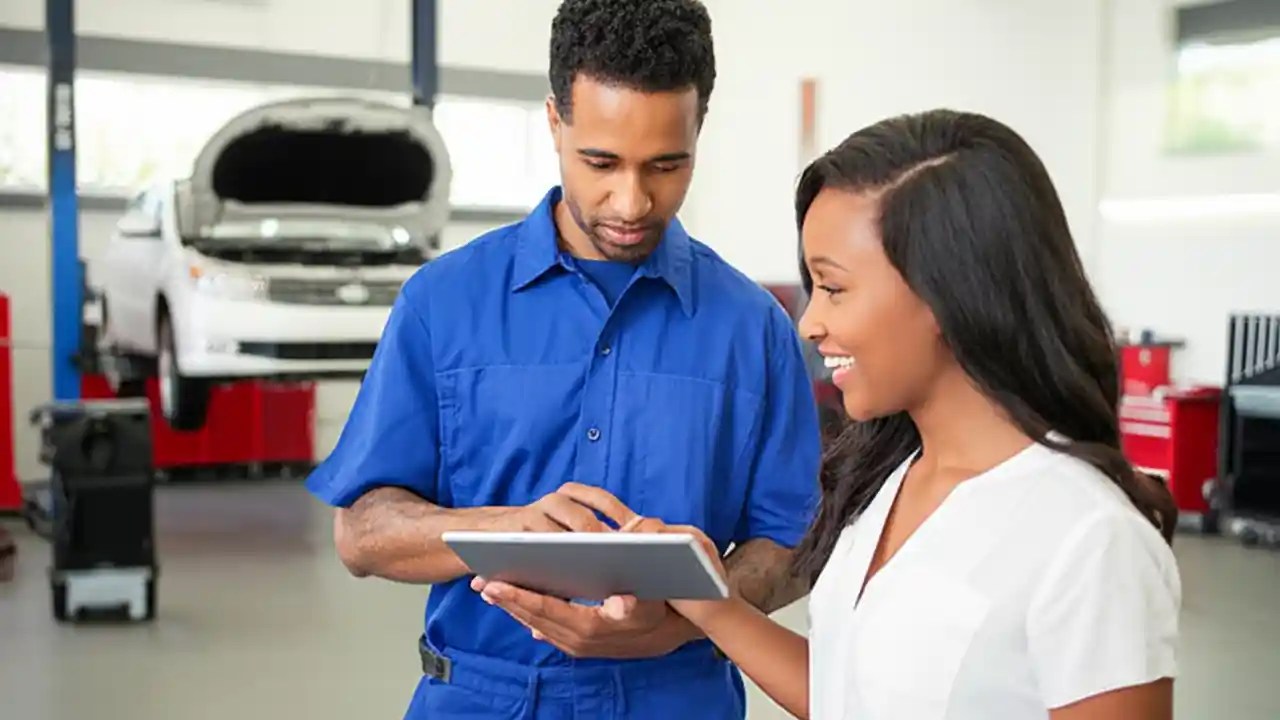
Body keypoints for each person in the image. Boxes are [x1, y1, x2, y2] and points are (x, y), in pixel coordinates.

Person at [305, 0, 821, 717]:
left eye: (667, 165)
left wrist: (677, 622)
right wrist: (504, 528)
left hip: (677, 695)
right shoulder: (442, 303)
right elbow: (361, 533)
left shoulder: (755, 328)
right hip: (479, 697)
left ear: (699, 129)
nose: (632, 200)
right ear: (554, 121)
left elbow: (791, 540)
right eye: (600, 162)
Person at [601, 109, 1183, 719]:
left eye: (833, 288)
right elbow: (850, 697)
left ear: (948, 293)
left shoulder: (1090, 539)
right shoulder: (894, 478)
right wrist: (706, 598)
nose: (810, 322)